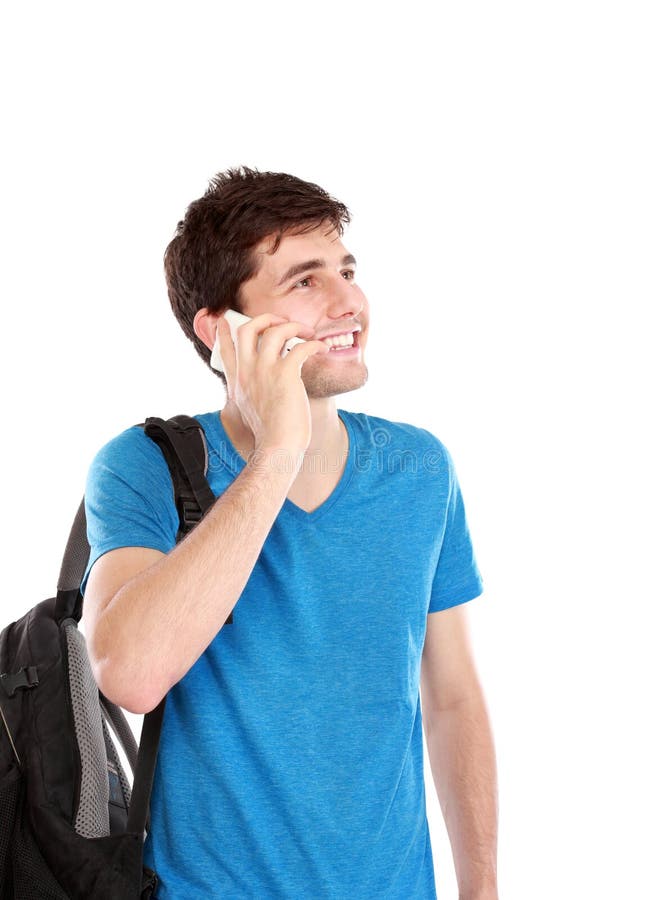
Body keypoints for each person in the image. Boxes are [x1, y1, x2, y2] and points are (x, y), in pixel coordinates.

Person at [80, 166, 499, 899]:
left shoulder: (420, 470)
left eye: (346, 269)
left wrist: (483, 888)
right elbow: (130, 676)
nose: (349, 302)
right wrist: (278, 451)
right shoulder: (144, 466)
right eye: (305, 281)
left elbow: (453, 696)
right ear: (220, 329)